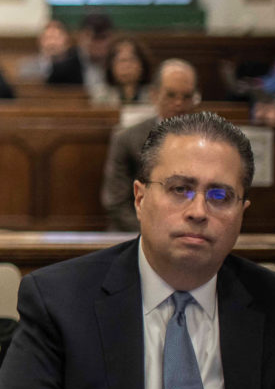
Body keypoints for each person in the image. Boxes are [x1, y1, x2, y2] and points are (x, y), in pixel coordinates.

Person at [0, 112, 275, 389]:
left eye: (220, 195)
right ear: (139, 198)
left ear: (242, 214)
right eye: (180, 189)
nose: (199, 210)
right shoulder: (59, 300)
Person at [101, 59, 200, 232]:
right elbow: (115, 202)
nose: (178, 103)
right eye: (171, 95)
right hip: (138, 233)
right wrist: (154, 234)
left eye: (186, 97)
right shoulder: (127, 139)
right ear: (154, 95)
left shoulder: (209, 141)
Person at [48, 12, 114, 98]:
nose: (97, 43)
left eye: (102, 37)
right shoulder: (62, 69)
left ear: (111, 38)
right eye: (92, 37)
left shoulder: (118, 63)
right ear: (81, 36)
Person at [96, 37, 153, 105]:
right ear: (110, 66)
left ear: (142, 64)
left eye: (131, 60)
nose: (126, 66)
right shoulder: (101, 95)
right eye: (122, 61)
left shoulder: (153, 94)